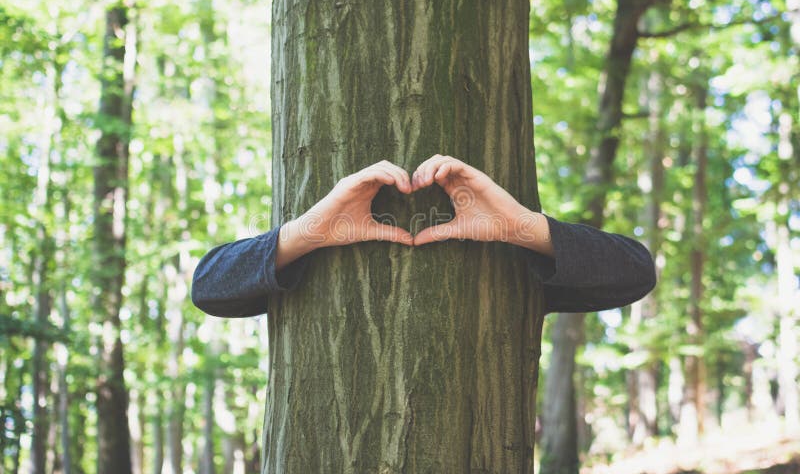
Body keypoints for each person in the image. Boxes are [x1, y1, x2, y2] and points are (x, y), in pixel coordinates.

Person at [191, 155, 656, 316]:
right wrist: (311, 232)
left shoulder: (510, 261)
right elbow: (209, 287)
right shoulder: (307, 259)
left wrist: (520, 227)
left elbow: (636, 273)